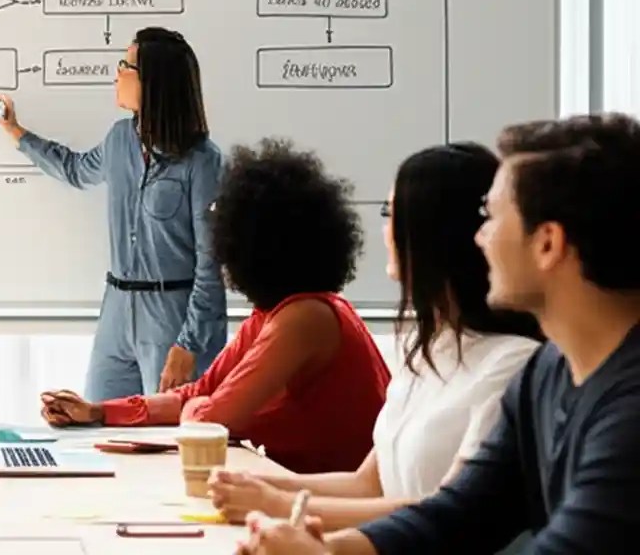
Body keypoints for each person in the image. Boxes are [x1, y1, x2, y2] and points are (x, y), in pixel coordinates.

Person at [237, 113, 640, 555]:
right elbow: (459, 513)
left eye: (491, 216)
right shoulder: (547, 373)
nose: (481, 237)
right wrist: (331, 548)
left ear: (547, 243)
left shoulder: (626, 408)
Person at [209, 143, 544, 529]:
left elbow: (448, 516)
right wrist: (255, 486)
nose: (384, 230)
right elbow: (368, 483)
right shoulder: (429, 351)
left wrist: (279, 505)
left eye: (390, 213)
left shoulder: (512, 366)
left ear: (429, 232)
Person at [39, 138, 390, 474]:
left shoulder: (305, 318)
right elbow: (201, 394)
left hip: (338, 514)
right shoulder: (274, 314)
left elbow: (208, 421)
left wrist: (197, 409)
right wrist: (99, 412)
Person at [0, 26, 228, 400]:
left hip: (172, 315)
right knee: (98, 421)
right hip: (117, 308)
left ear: (154, 83)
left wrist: (190, 342)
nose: (116, 73)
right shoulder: (120, 139)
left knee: (166, 439)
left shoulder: (203, 161)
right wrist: (15, 130)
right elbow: (75, 169)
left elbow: (210, 265)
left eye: (125, 65)